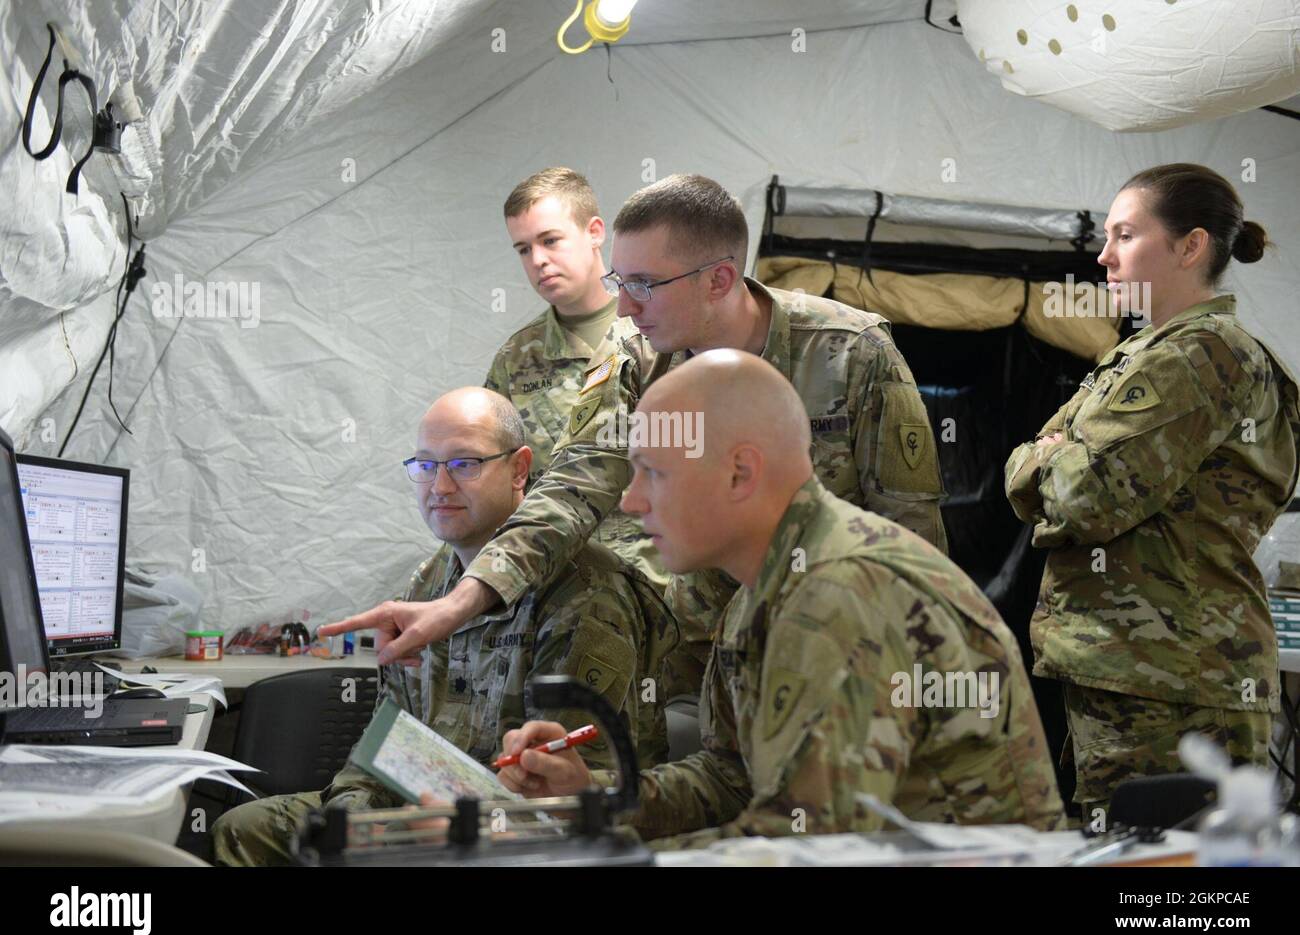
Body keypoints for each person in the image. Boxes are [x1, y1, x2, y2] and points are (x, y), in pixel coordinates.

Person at [324, 174, 947, 703]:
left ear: (719, 279)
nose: (623, 308)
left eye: (644, 284)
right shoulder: (638, 359)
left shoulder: (851, 353)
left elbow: (911, 535)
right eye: (621, 281)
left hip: (826, 643)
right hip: (684, 644)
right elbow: (575, 485)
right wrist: (464, 599)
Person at [497, 352, 1063, 849]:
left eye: (652, 472)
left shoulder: (838, 592)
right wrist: (594, 797)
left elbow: (812, 843)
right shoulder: (766, 588)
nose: (631, 501)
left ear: (740, 471)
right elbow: (733, 777)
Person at [211, 388, 674, 865]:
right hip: (423, 818)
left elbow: (579, 793)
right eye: (426, 466)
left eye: (465, 464)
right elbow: (384, 750)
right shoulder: (429, 584)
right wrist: (353, 825)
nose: (440, 486)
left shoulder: (585, 592)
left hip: (522, 838)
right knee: (244, 830)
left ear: (519, 470)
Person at [1005, 163, 1300, 820]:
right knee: (1130, 876)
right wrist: (1043, 467)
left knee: (1173, 901)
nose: (1104, 255)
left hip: (1173, 682)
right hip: (1139, 671)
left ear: (1190, 246)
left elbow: (1084, 495)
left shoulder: (1199, 354)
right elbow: (1036, 470)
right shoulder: (1144, 353)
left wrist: (1045, 467)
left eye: (1125, 235)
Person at [485, 167, 666, 589]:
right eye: (523, 250)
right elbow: (494, 477)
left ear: (595, 232)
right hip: (563, 586)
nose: (538, 261)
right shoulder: (516, 360)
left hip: (665, 585)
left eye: (550, 240)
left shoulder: (661, 332)